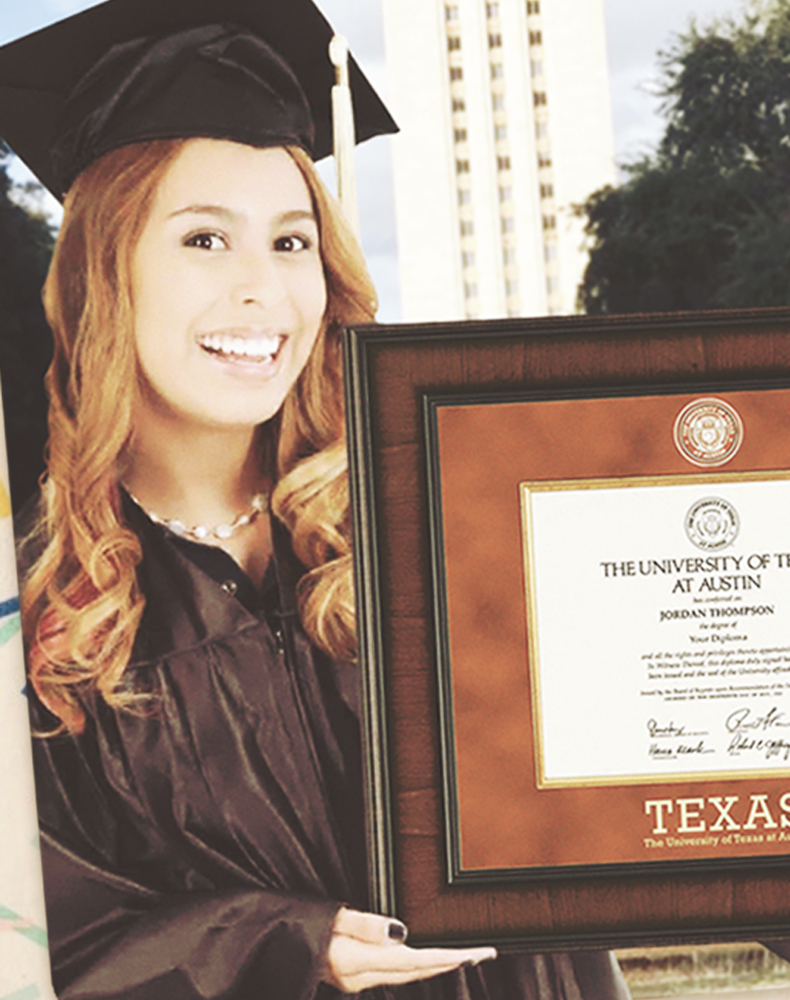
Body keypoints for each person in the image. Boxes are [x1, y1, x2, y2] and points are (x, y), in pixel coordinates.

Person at [0, 1, 630, 997]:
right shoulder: (37, 615)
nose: (264, 288)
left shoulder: (426, 534)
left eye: (292, 243)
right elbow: (43, 939)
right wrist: (278, 941)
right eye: (206, 240)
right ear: (103, 274)